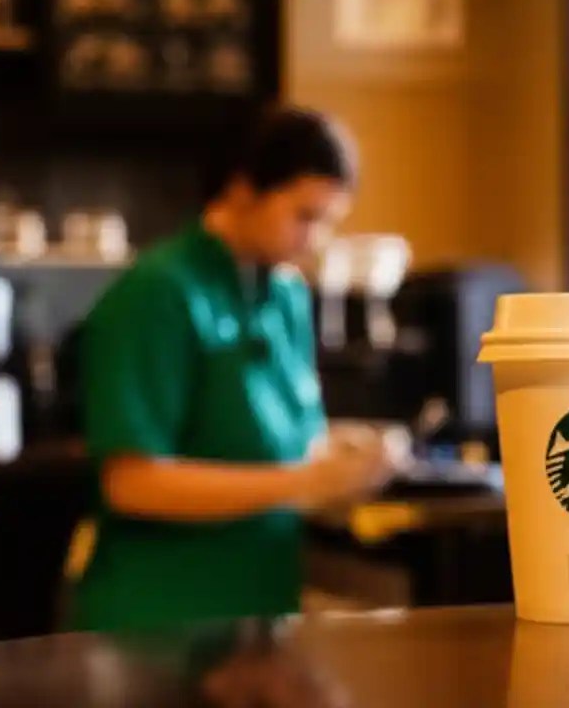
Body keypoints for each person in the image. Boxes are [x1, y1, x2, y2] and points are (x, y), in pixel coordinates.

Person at [72, 106, 400, 631]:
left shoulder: (285, 296)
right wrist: (303, 481)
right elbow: (131, 483)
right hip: (161, 619)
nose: (313, 240)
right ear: (244, 189)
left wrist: (346, 457)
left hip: (260, 611)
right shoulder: (159, 293)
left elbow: (281, 439)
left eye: (327, 224)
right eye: (304, 216)